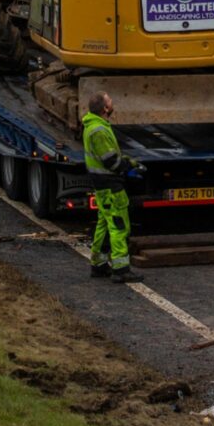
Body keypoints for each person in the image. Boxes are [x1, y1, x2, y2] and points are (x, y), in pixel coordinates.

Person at [81, 92, 145, 283]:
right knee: (119, 227)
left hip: (102, 185)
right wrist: (127, 168)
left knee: (104, 224)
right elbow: (110, 161)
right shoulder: (99, 130)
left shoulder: (94, 126)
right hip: (110, 185)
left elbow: (109, 156)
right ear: (105, 109)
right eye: (110, 100)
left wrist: (127, 161)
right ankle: (121, 269)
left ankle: (98, 264)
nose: (113, 102)